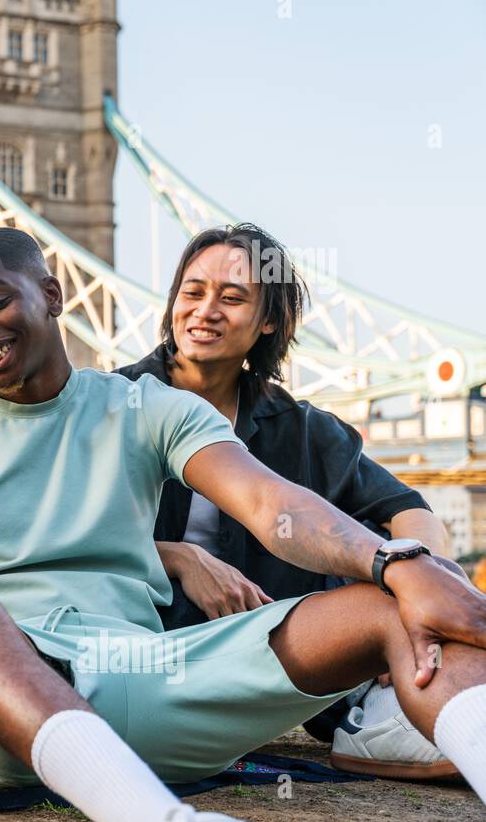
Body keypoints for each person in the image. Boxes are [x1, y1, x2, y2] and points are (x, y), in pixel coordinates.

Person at [0, 226, 486, 822]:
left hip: (147, 674)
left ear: (52, 296)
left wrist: (402, 564)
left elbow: (270, 504)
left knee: (397, 602)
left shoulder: (146, 406)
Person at [116, 223, 457, 780]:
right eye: (192, 292)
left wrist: (428, 581)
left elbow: (408, 510)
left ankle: (381, 716)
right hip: (147, 647)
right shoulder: (108, 404)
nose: (205, 311)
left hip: (275, 653)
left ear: (268, 319)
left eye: (232, 298)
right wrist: (176, 556)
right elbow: (58, 540)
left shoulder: (303, 430)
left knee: (396, 566)